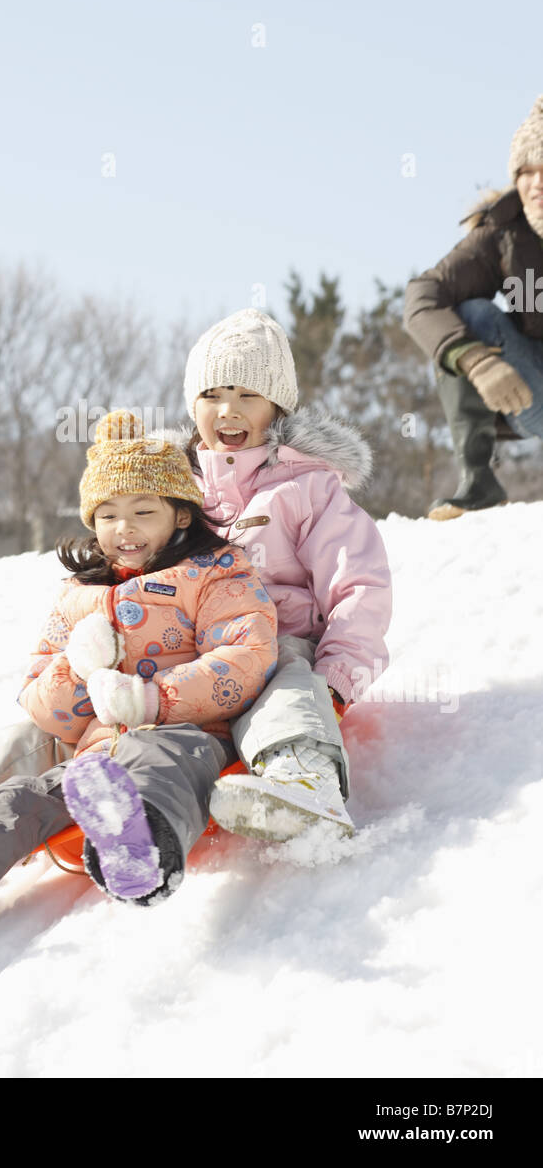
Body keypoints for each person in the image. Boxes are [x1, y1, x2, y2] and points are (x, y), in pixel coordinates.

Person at [0, 411, 277, 955]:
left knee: (158, 764)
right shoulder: (77, 595)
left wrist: (155, 697)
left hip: (188, 734)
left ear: (179, 516)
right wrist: (76, 669)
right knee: (12, 804)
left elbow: (248, 657)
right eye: (107, 515)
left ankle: (139, 849)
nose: (122, 529)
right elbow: (42, 709)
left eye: (142, 512)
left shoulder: (216, 573)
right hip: (88, 762)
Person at [178, 308, 392, 842]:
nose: (228, 410)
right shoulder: (173, 491)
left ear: (276, 406)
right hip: (195, 653)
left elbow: (357, 584)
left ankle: (305, 786)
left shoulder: (307, 487)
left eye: (247, 394)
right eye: (212, 395)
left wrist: (339, 675)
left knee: (286, 683)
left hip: (281, 643)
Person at [404, 93, 543, 519]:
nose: (535, 183)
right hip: (535, 392)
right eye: (526, 171)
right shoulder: (505, 234)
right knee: (470, 317)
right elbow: (422, 297)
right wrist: (478, 361)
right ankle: (479, 482)